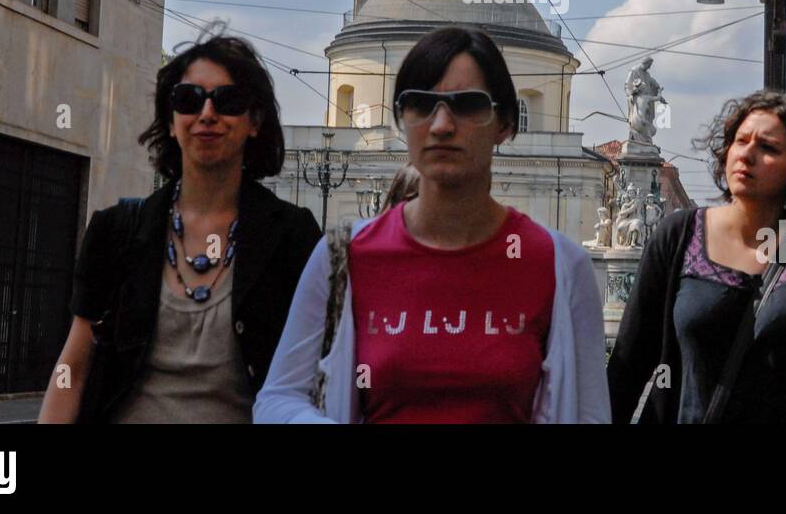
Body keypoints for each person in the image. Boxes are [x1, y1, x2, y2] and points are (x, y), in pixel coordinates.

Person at [255, 25, 609, 423]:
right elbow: (278, 397)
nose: (441, 125)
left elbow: (589, 414)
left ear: (506, 124)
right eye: (421, 105)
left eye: (467, 104)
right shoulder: (344, 255)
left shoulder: (560, 265)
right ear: (401, 121)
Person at [39, 33, 322, 423]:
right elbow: (73, 365)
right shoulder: (116, 231)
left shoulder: (292, 236)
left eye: (228, 101)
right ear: (171, 122)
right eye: (188, 100)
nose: (207, 113)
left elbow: (316, 371)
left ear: (254, 122)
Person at [607, 90, 786, 424]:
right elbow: (629, 365)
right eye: (741, 141)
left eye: (767, 147)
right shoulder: (678, 234)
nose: (747, 154)